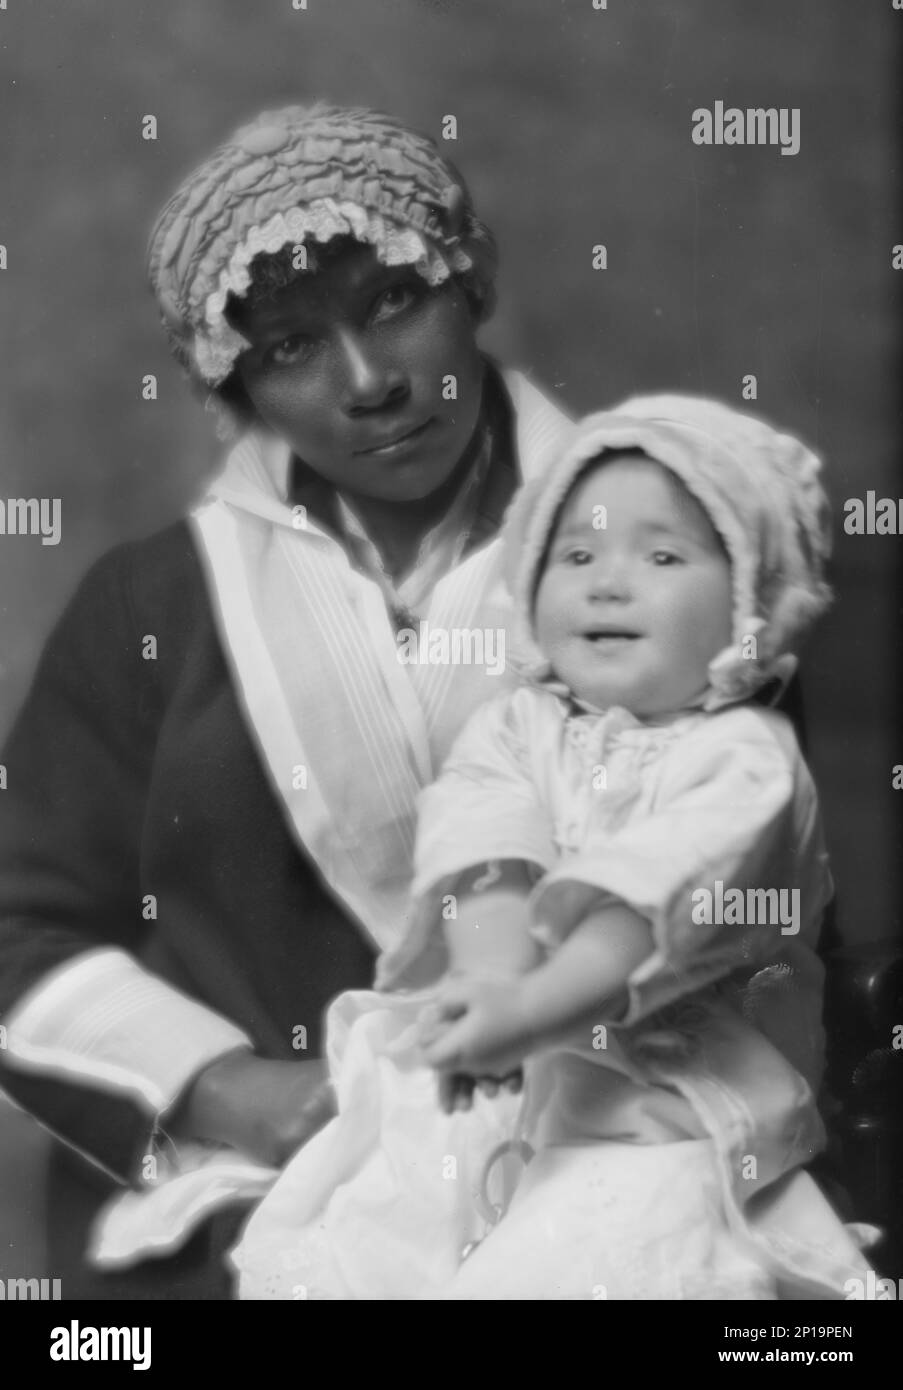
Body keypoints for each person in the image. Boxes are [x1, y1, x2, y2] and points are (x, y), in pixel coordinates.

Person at [0, 102, 573, 1299]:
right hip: (259, 1203)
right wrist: (221, 1086)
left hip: (588, 1159)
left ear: (468, 284)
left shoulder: (656, 549)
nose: (369, 384)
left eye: (390, 304)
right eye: (292, 347)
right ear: (238, 386)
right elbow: (16, 930)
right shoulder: (152, 605)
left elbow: (755, 884)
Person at [231, 395, 876, 1300]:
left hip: (673, 1104)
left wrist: (530, 1011)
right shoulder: (519, 726)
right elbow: (490, 859)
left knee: (589, 1252)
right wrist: (493, 986)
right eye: (575, 555)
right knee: (382, 1221)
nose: (606, 583)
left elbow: (633, 920)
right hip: (526, 1065)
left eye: (660, 556)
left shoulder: (744, 765)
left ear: (748, 607)